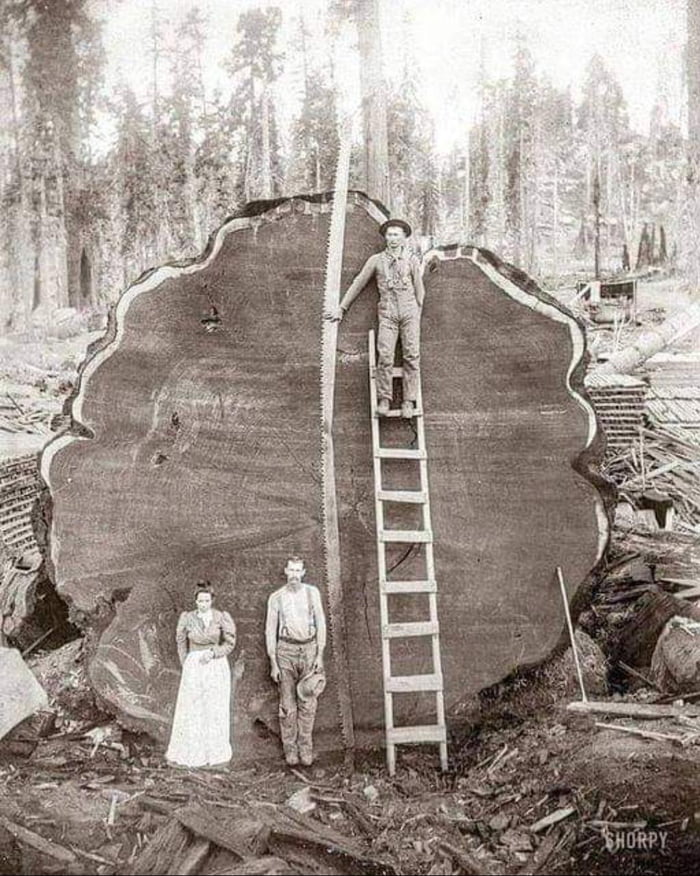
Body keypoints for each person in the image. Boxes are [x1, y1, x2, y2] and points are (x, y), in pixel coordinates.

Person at [326, 218, 425, 418]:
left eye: (396, 234)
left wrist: (416, 314)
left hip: (409, 312)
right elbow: (358, 283)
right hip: (387, 313)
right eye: (389, 234)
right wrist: (341, 309)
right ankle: (384, 399)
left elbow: (420, 291)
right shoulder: (376, 260)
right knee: (385, 355)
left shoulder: (412, 260)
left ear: (404, 237)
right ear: (385, 237)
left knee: (411, 355)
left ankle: (408, 401)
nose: (392, 238)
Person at [165, 582, 236, 768]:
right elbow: (180, 641)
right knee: (193, 708)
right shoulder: (187, 618)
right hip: (194, 667)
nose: (203, 604)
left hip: (216, 665)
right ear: (195, 601)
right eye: (200, 600)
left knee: (214, 708)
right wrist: (187, 662)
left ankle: (215, 753)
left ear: (212, 600)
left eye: (206, 600)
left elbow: (230, 643)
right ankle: (192, 753)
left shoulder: (221, 617)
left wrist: (214, 653)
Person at [265, 557, 326, 766]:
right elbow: (270, 629)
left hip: (309, 650)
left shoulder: (312, 593)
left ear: (303, 572)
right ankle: (290, 751)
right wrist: (273, 661)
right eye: (291, 570)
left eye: (297, 570)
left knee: (308, 703)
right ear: (285, 571)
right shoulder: (276, 597)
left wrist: (320, 654)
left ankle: (305, 750)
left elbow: (321, 624)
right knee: (287, 706)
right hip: (285, 652)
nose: (294, 574)